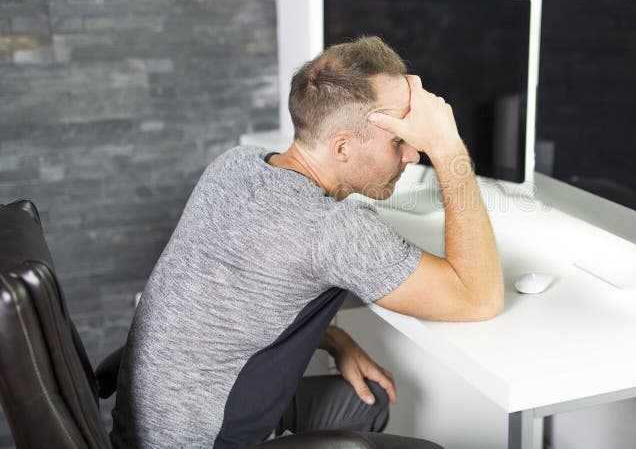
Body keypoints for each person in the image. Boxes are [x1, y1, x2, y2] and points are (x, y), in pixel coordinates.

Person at [110, 36, 503, 449]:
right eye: (397, 140)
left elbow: (234, 307)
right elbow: (478, 297)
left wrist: (336, 340)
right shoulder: (332, 229)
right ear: (343, 148)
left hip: (142, 429)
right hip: (201, 442)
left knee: (365, 405)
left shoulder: (234, 165)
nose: (411, 155)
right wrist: (447, 147)